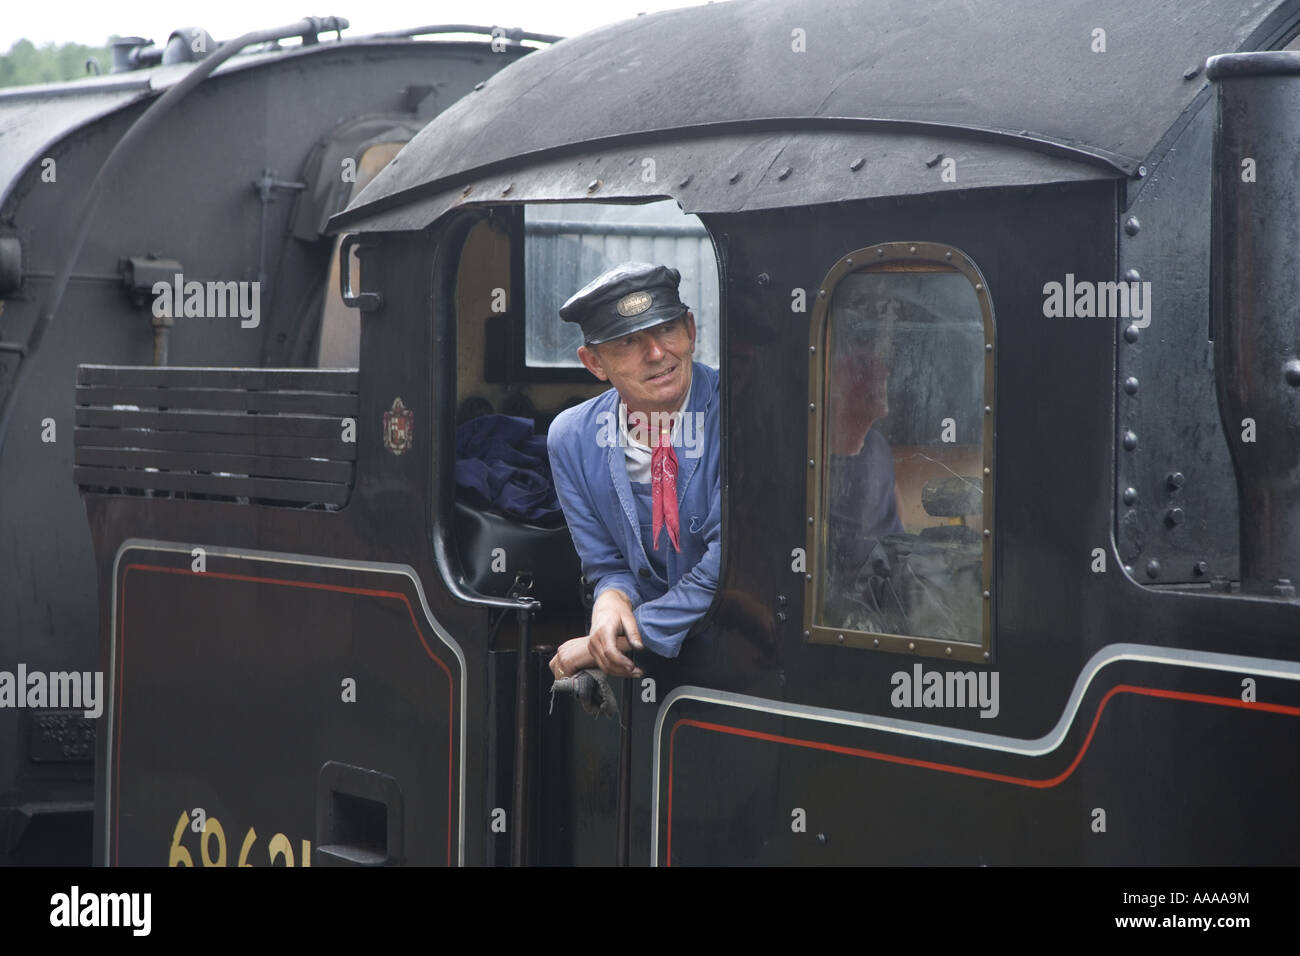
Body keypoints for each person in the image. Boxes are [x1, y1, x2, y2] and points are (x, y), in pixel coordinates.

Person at [546, 262, 721, 680]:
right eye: (627, 342)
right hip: (645, 674)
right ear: (594, 363)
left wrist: (624, 636)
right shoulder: (570, 438)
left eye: (666, 330)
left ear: (691, 331)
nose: (657, 354)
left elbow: (728, 570)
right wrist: (611, 599)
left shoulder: (739, 414)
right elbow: (607, 564)